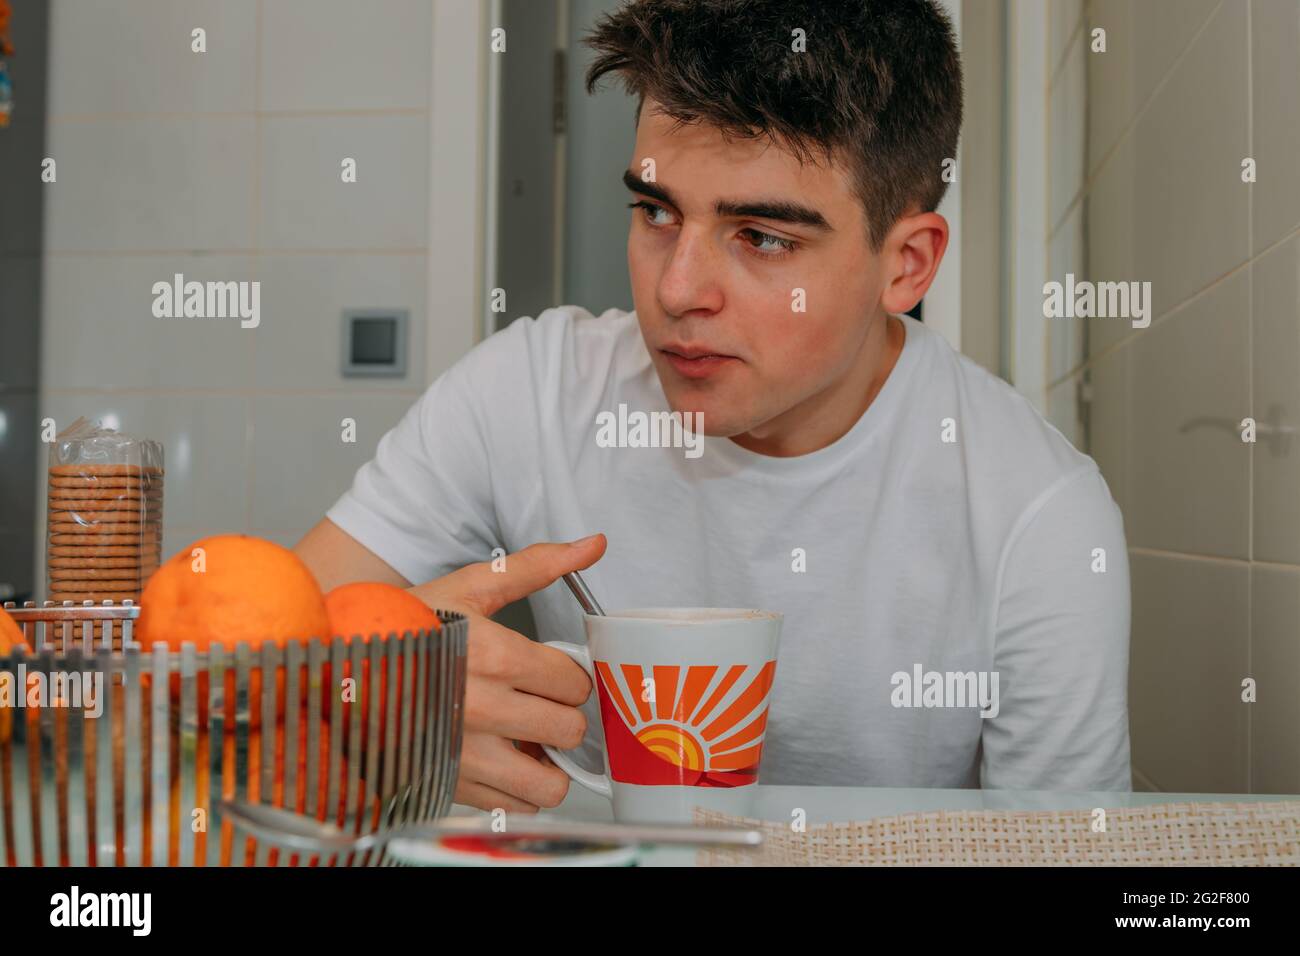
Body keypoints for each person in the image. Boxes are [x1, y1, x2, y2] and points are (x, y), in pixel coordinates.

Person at [295, 0, 1131, 812]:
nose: (675, 289)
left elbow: (1066, 851)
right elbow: (252, 646)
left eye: (762, 236)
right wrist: (372, 685)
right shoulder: (527, 390)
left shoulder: (1036, 512)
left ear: (906, 265)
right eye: (656, 212)